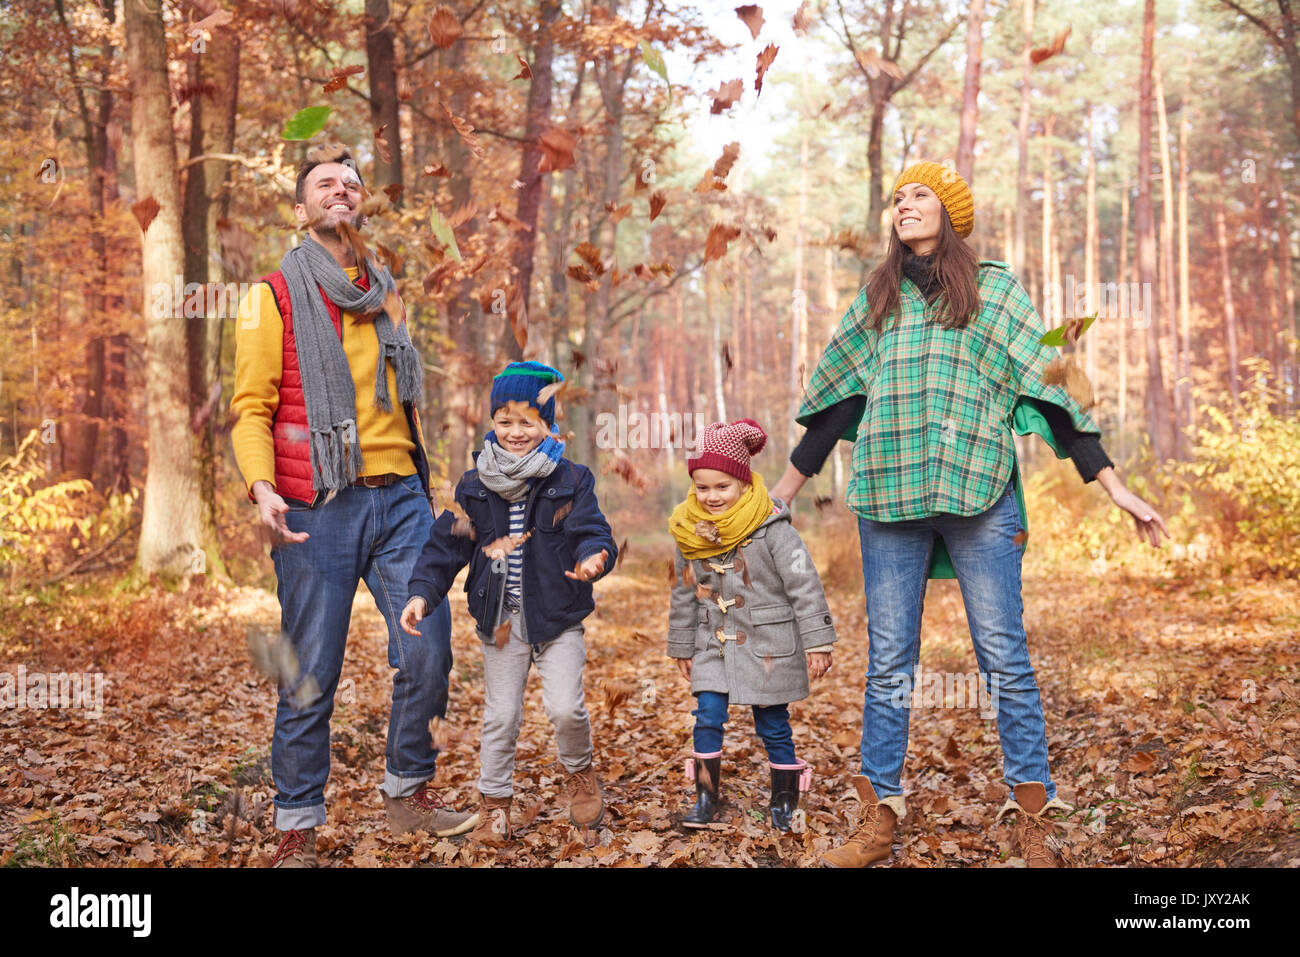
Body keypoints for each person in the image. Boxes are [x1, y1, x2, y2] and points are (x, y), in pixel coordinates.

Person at [769, 161, 1170, 868]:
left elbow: (1049, 395)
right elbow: (838, 402)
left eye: (919, 193)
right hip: (889, 497)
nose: (904, 204)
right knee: (889, 660)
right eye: (897, 197)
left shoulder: (994, 289)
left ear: (950, 209)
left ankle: (1032, 813)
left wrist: (1114, 485)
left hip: (980, 492)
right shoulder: (877, 297)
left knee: (1003, 656)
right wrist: (783, 491)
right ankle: (879, 814)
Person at [231, 145, 475, 869]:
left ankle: (407, 791)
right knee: (310, 672)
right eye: (325, 183)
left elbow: (402, 401)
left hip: (399, 499)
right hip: (317, 508)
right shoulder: (271, 296)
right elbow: (251, 409)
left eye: (352, 183)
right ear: (304, 208)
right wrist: (262, 486)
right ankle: (298, 826)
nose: (341, 190)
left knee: (428, 650)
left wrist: (427, 488)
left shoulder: (386, 294)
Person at [400, 361, 617, 843]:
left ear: (547, 425)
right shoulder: (474, 485)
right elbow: (444, 547)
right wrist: (420, 594)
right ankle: (495, 802)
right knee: (501, 716)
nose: (515, 432)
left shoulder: (571, 478)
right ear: (491, 422)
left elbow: (591, 530)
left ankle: (579, 773)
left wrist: (593, 556)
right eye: (505, 421)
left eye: (528, 421)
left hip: (558, 617)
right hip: (500, 619)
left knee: (565, 708)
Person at [666, 419, 836, 831]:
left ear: (743, 483)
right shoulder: (690, 531)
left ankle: (783, 799)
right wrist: (682, 645)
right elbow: (684, 592)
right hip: (713, 641)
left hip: (767, 643)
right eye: (702, 487)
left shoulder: (773, 529)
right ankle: (705, 798)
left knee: (772, 721)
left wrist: (818, 641)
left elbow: (805, 585)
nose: (711, 497)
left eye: (722, 487)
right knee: (706, 714)